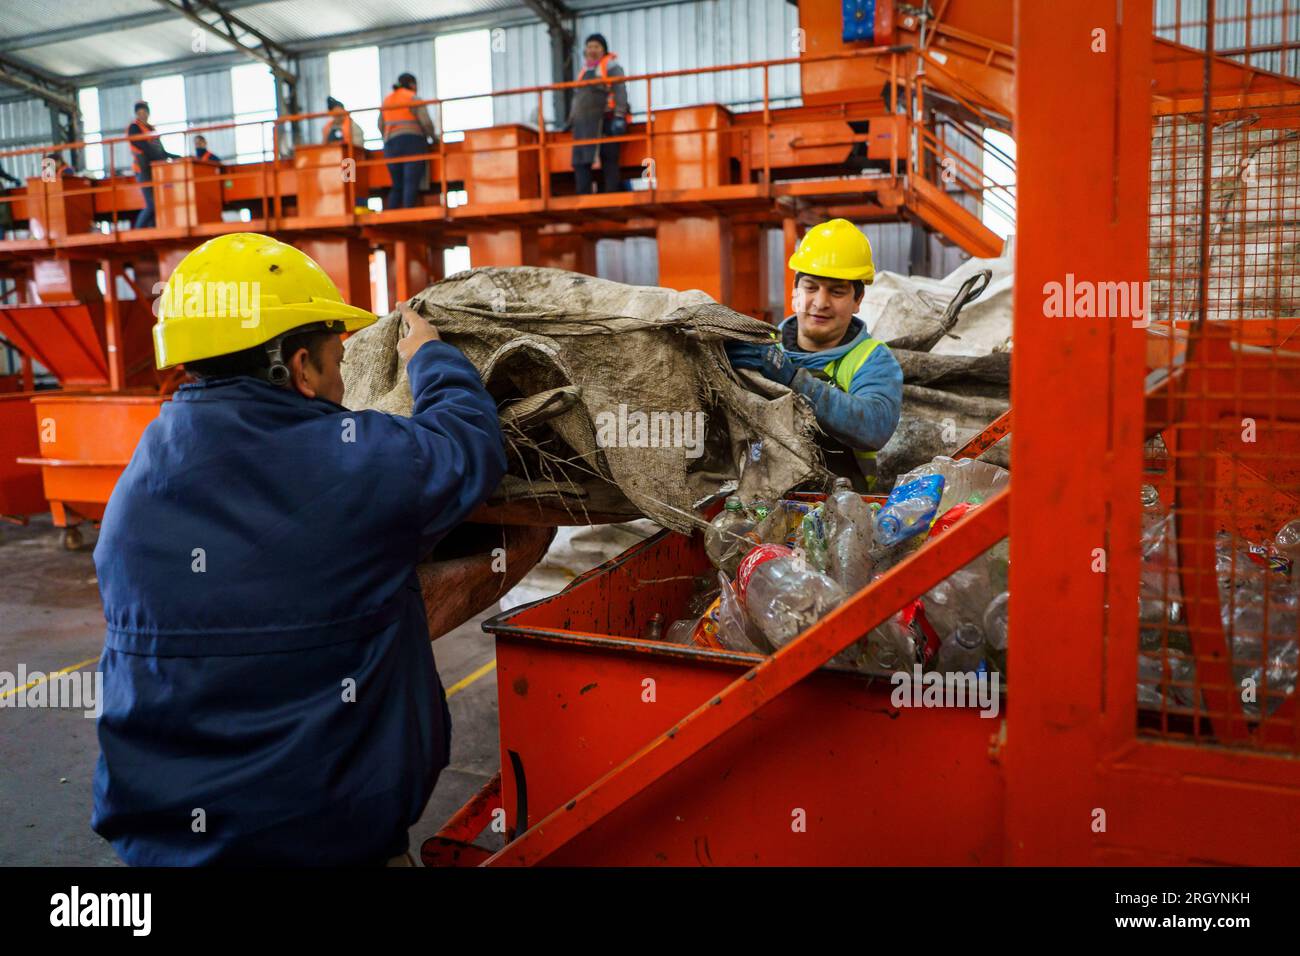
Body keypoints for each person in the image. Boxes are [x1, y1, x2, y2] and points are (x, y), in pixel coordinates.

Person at [90, 232, 507, 865]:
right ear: (300, 366)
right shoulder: (352, 462)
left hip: (162, 846)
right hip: (323, 842)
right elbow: (469, 445)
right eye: (337, 358)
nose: (343, 376)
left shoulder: (140, 479)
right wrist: (430, 356)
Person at [726, 219, 903, 492]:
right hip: (765, 500)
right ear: (795, 292)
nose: (820, 303)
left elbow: (874, 427)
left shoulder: (872, 359)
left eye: (837, 291)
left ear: (858, 299)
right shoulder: (763, 349)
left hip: (844, 510)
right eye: (810, 288)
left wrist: (793, 379)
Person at [567, 33, 629, 195]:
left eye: (596, 47)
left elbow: (620, 90)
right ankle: (583, 197)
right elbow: (577, 98)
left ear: (603, 50)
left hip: (606, 120)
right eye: (589, 47)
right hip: (584, 125)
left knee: (609, 157)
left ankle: (612, 195)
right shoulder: (583, 72)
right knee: (580, 161)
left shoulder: (611, 67)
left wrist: (619, 115)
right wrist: (571, 119)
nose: (592, 50)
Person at [380, 73, 437, 209]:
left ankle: (390, 218)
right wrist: (433, 138)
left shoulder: (387, 101)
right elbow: (426, 122)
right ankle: (408, 215)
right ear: (412, 84)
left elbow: (380, 125)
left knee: (397, 184)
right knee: (410, 182)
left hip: (391, 145)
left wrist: (389, 136)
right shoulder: (412, 97)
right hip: (412, 142)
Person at [126, 101, 177, 229]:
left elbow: (161, 151)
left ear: (148, 113)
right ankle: (137, 233)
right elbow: (143, 147)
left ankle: (152, 229)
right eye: (140, 113)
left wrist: (178, 157)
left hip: (154, 170)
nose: (142, 115)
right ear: (136, 114)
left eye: (144, 112)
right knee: (152, 205)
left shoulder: (151, 130)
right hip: (143, 170)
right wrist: (160, 157)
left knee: (158, 204)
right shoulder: (134, 128)